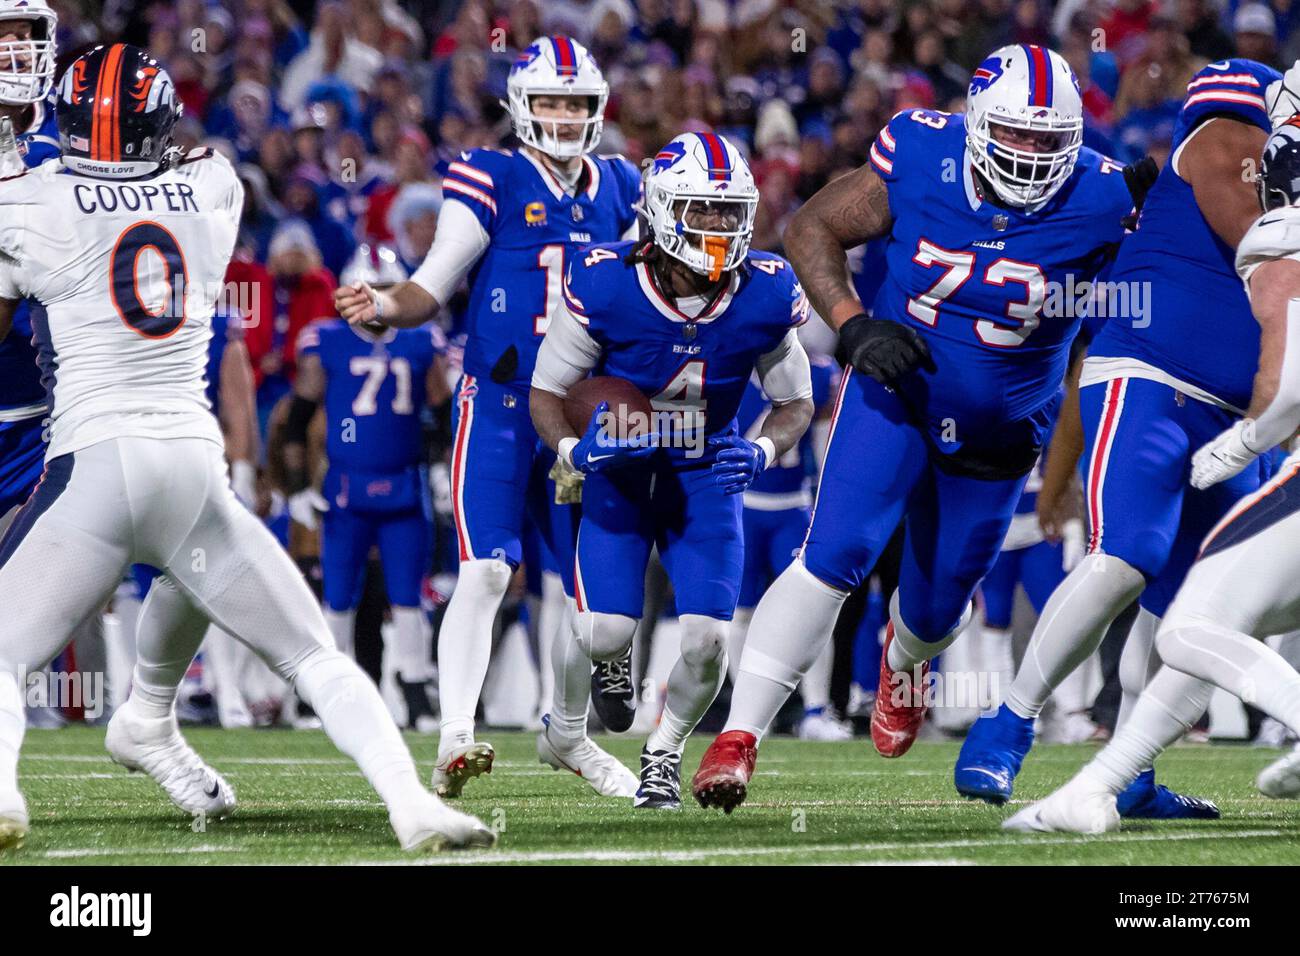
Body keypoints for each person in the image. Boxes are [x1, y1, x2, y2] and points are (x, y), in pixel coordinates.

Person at [0, 44, 492, 853]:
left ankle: (5, 794)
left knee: (5, 657)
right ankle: (411, 806)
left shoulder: (30, 200)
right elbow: (164, 173)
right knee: (315, 656)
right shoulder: (214, 187)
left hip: (93, 466)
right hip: (192, 472)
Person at [691, 44, 1134, 812]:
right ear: (977, 123)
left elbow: (1148, 306)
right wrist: (852, 324)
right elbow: (810, 227)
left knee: (932, 613)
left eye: (1047, 139)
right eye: (1015, 133)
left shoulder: (1105, 197)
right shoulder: (923, 152)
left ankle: (905, 660)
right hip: (895, 393)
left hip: (1001, 434)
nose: (1030, 154)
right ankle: (739, 737)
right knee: (832, 556)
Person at [956, 57, 1281, 820]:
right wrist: (1058, 478)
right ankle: (1008, 722)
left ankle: (1128, 771)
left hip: (1234, 419)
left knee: (1194, 608)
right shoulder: (1224, 136)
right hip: (1154, 382)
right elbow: (1264, 242)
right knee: (1126, 556)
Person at [333, 36, 641, 798]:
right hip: (503, 405)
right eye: (551, 101)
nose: (564, 116)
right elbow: (431, 286)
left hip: (580, 415)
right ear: (522, 108)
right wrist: (384, 305)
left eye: (576, 102)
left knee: (593, 600)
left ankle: (566, 735)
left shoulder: (623, 185)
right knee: (487, 569)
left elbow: (643, 305)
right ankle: (454, 737)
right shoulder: (492, 174)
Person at [531, 132, 814, 808]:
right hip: (622, 473)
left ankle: (663, 753)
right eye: (701, 208)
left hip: (704, 471)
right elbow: (546, 395)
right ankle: (565, 727)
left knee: (709, 640)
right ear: (660, 208)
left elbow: (796, 402)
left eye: (728, 210)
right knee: (603, 630)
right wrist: (573, 452)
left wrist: (762, 450)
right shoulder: (606, 281)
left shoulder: (766, 290)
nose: (718, 224)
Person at [289, 243, 449, 729]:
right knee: (337, 595)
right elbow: (296, 419)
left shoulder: (420, 340)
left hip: (404, 485)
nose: (374, 298)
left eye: (383, 289)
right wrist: (297, 486)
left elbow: (444, 414)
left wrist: (442, 468)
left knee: (408, 596)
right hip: (346, 489)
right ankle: (324, 692)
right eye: (366, 289)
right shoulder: (327, 340)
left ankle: (415, 688)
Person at [729, 351, 848, 740]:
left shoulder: (818, 369)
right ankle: (745, 715)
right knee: (739, 614)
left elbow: (825, 444)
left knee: (812, 610)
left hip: (793, 508)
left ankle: (816, 710)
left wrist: (828, 502)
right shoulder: (728, 361)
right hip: (742, 506)